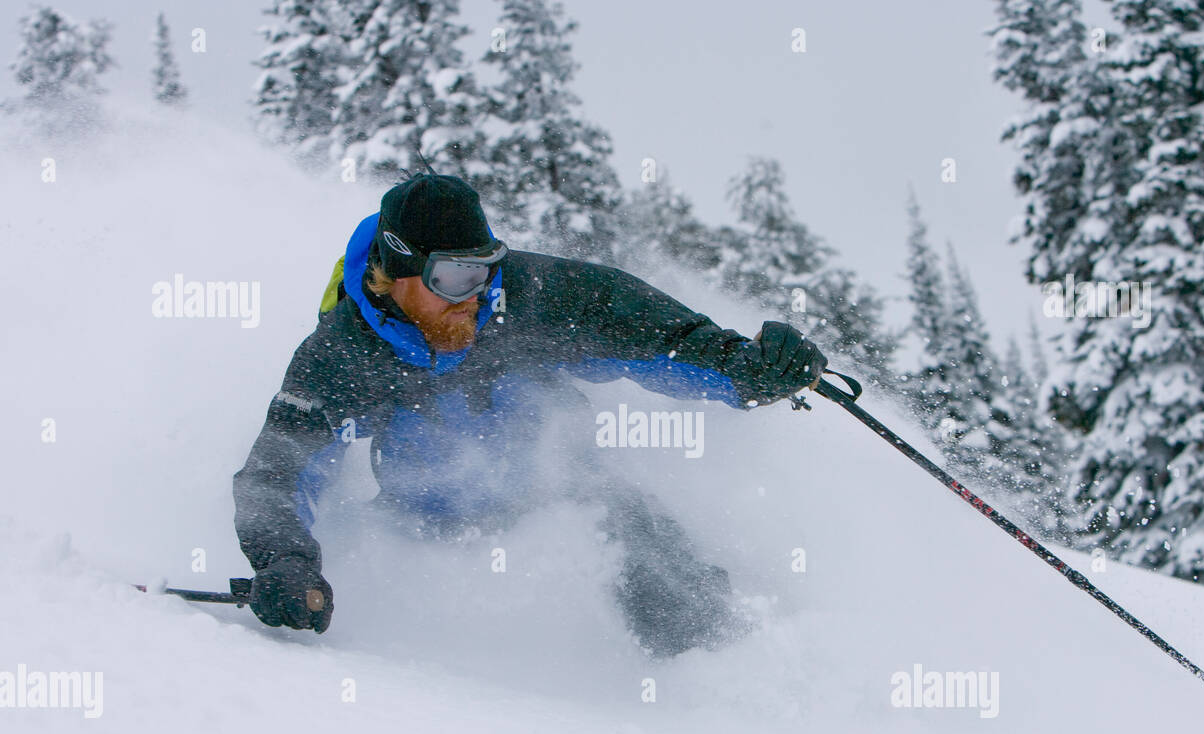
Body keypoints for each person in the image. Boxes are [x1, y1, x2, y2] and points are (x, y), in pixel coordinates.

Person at [233, 173, 826, 656]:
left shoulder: (523, 297)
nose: (475, 290)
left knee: (634, 538)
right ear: (395, 275)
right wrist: (284, 559)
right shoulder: (343, 352)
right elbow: (277, 470)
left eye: (485, 265)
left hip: (567, 490)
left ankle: (730, 676)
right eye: (452, 274)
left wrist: (748, 370)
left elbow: (655, 338)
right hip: (430, 517)